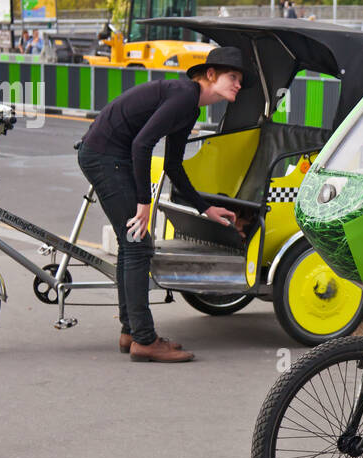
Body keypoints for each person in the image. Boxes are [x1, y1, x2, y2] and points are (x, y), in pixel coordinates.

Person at [77, 47, 247, 363]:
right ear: (211, 75)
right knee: (139, 246)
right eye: (233, 77)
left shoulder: (189, 106)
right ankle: (144, 340)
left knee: (132, 245)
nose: (238, 84)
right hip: (105, 156)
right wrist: (144, 203)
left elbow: (173, 165)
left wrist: (205, 208)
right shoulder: (183, 95)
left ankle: (132, 332)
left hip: (108, 156)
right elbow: (142, 145)